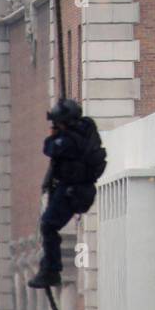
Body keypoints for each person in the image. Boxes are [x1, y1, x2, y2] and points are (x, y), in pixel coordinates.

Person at [28, 97, 107, 289]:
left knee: (48, 226)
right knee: (48, 225)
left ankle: (52, 270)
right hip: (76, 190)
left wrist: (54, 135)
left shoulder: (70, 140)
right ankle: (49, 267)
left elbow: (49, 149)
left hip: (72, 191)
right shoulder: (83, 132)